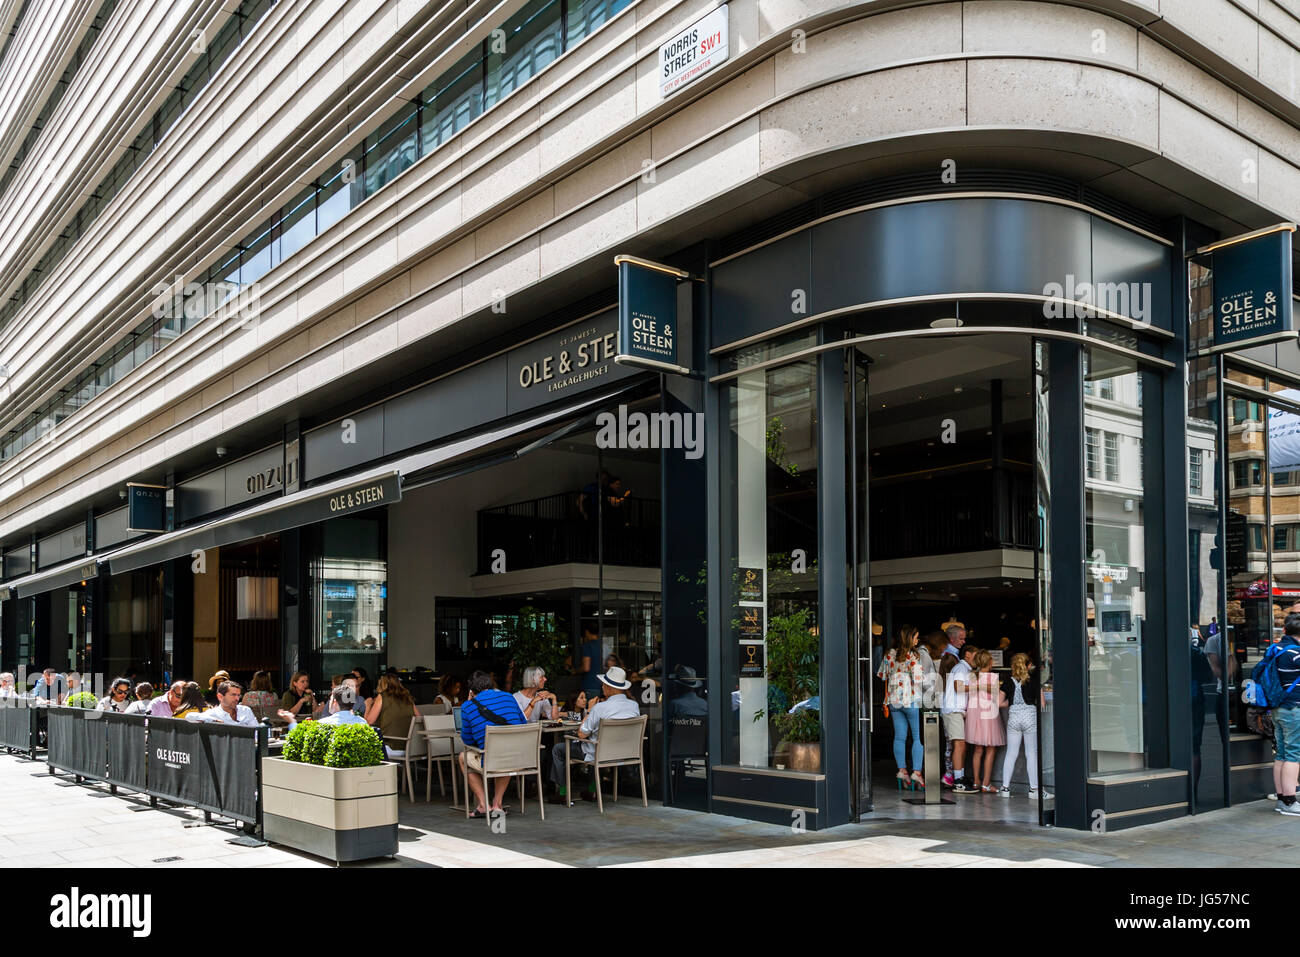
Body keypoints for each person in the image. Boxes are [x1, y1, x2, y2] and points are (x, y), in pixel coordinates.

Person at [549, 665, 639, 804]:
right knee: (596, 745)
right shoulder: (634, 706)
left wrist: (590, 710)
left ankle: (562, 793)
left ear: (609, 688)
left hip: (599, 753)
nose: (602, 687)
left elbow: (581, 734)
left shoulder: (599, 708)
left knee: (558, 749)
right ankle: (591, 791)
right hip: (623, 754)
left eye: (604, 684)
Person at [458, 670, 526, 817]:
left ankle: (483, 805)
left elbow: (468, 741)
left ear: (471, 691)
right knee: (505, 751)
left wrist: (470, 703)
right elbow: (523, 724)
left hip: (493, 761)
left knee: (463, 757)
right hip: (518, 759)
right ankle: (497, 803)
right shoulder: (509, 697)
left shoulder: (468, 707)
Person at [877, 624, 925, 790]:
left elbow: (882, 676)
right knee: (917, 738)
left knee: (899, 737)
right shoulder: (913, 655)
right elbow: (918, 679)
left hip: (893, 701)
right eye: (916, 637)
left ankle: (902, 771)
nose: (917, 640)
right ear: (909, 638)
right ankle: (916, 772)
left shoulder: (889, 654)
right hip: (910, 700)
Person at [1267, 613, 1300, 815]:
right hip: (1293, 709)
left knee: (1281, 754)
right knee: (1293, 755)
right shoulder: (1296, 653)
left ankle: (1281, 799)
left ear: (1285, 630)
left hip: (1277, 707)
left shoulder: (1275, 649)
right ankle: (1290, 801)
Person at [998, 653, 1041, 796]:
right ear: (1028, 666)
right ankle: (1034, 789)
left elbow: (999, 703)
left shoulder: (1008, 682)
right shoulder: (1034, 680)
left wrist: (1011, 702)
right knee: (1031, 754)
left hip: (1014, 719)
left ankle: (1005, 788)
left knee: (1011, 753)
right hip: (1029, 718)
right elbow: (1042, 703)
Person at [965, 649, 1006, 793]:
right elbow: (996, 696)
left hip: (974, 713)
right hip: (988, 713)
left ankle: (976, 781)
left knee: (977, 749)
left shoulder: (972, 676)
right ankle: (986, 783)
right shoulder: (992, 677)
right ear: (990, 662)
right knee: (990, 749)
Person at [942, 644, 977, 790]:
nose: (977, 659)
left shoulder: (964, 669)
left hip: (957, 710)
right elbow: (959, 687)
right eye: (975, 655)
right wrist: (980, 686)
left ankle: (960, 776)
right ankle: (958, 781)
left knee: (961, 745)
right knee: (959, 744)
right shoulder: (961, 668)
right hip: (953, 710)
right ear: (967, 654)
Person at [366, 673, 417, 757]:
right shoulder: (407, 698)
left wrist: (368, 705)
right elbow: (419, 718)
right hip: (410, 747)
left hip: (389, 747)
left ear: (382, 685)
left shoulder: (382, 696)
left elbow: (368, 722)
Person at [194, 680, 259, 727]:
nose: (237, 699)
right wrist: (214, 720)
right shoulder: (212, 714)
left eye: (238, 695)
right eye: (233, 695)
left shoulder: (246, 710)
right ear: (220, 697)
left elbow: (257, 731)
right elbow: (190, 716)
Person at [576, 624, 603, 698]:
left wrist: (576, 671)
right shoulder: (604, 646)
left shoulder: (587, 646)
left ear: (587, 632)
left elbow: (586, 668)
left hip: (590, 684)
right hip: (603, 685)